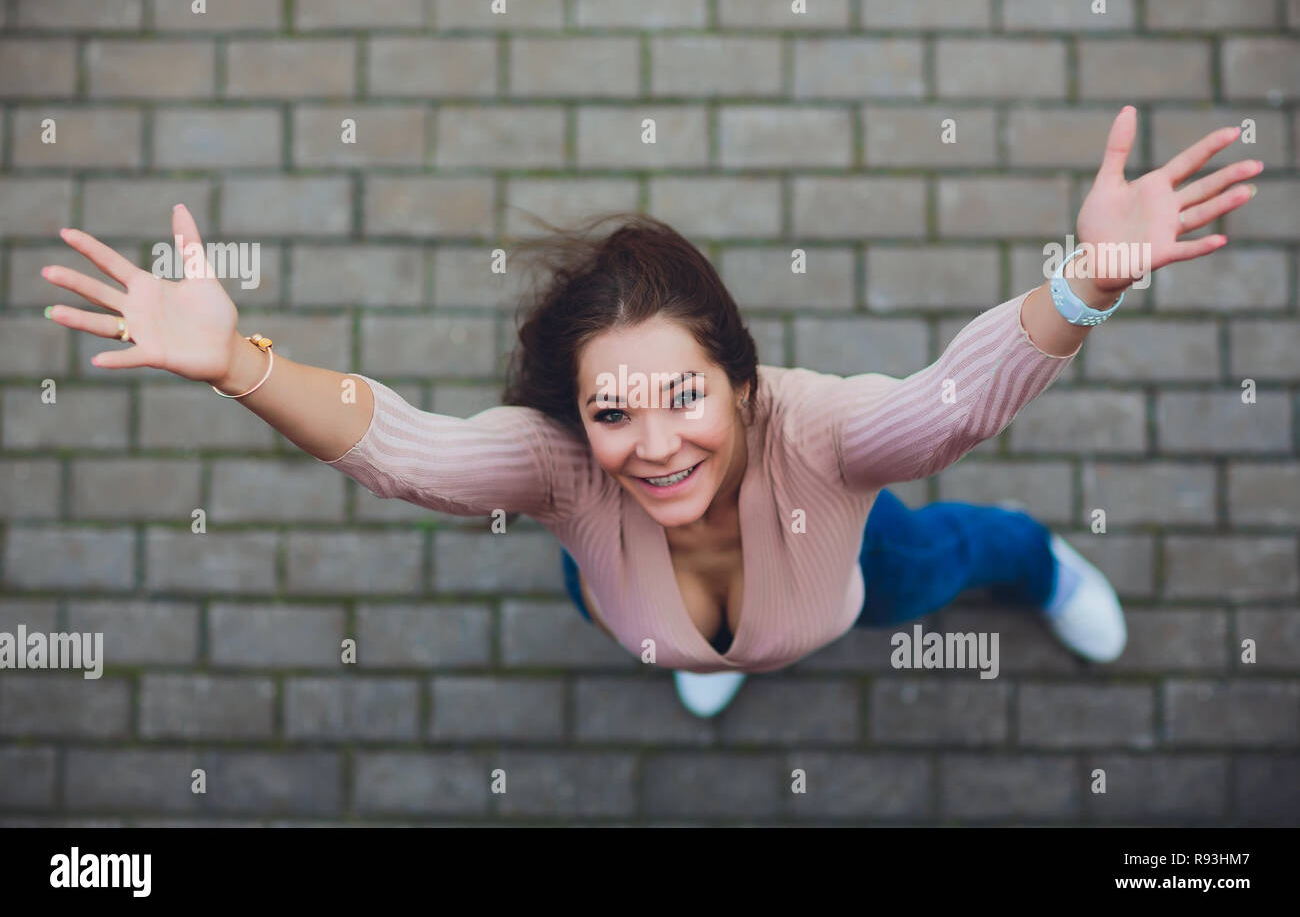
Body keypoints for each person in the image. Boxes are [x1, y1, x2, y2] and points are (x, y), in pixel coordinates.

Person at [40, 107, 1260, 718]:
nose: (656, 439)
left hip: (851, 580)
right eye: (612, 411)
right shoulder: (567, 469)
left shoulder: (819, 430)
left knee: (952, 558)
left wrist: (1085, 281)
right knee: (612, 595)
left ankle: (1044, 567)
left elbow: (948, 405)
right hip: (630, 599)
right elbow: (408, 452)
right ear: (575, 417)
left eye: (684, 395)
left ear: (740, 379)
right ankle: (697, 654)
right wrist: (239, 365)